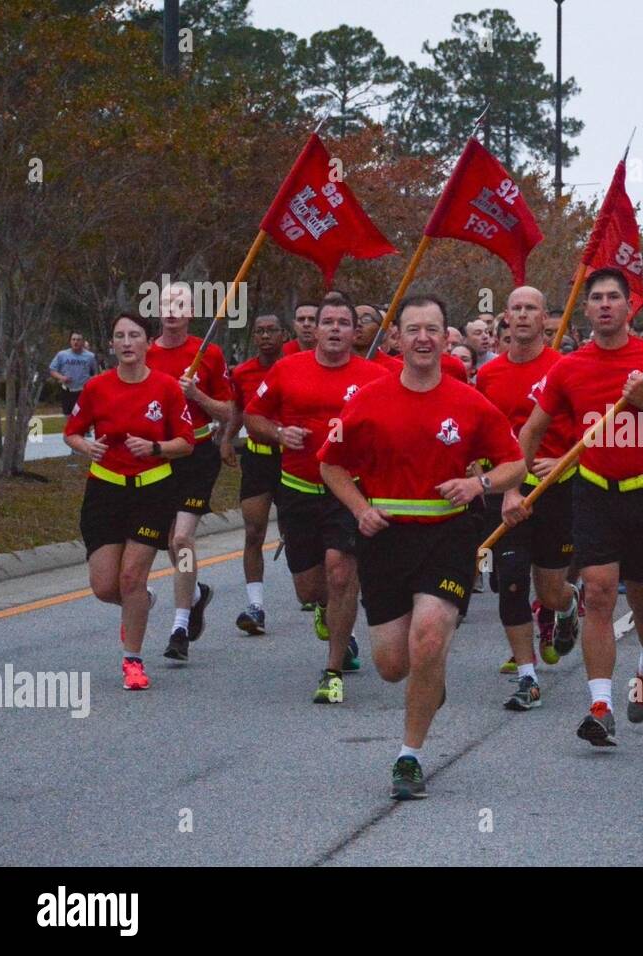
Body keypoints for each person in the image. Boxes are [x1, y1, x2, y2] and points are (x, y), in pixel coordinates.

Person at [320, 294, 526, 798]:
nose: (423, 338)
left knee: (429, 636)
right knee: (393, 666)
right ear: (396, 338)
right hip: (386, 538)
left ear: (445, 336)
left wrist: (479, 486)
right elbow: (330, 464)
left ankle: (408, 757)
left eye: (432, 329)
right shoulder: (368, 399)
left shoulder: (470, 401)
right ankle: (428, 681)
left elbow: (514, 464)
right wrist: (360, 509)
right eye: (413, 329)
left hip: (447, 536)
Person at [516, 268, 643, 747]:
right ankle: (600, 704)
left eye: (615, 297)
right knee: (599, 592)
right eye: (597, 298)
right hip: (593, 492)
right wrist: (514, 486)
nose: (606, 304)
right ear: (585, 309)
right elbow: (531, 430)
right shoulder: (568, 368)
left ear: (631, 307)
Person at [244, 291, 387, 702]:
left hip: (348, 493)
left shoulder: (374, 376)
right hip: (297, 491)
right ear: (315, 330)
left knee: (341, 572)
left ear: (355, 332)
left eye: (345, 323)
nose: (336, 330)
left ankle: (333, 668)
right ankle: (329, 612)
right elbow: (254, 417)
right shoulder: (289, 369)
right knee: (310, 589)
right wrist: (279, 433)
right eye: (329, 323)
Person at [63, 313, 194, 690]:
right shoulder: (96, 387)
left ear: (147, 343)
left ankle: (133, 662)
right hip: (105, 491)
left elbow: (186, 443)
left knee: (130, 576)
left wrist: (154, 447)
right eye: (119, 336)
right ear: (110, 346)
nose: (127, 342)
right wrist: (87, 446)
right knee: (107, 586)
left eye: (134, 335)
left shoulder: (167, 388)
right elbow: (72, 432)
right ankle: (141, 600)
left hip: (153, 490)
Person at [481, 287, 583, 709]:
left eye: (531, 309)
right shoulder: (487, 375)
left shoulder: (566, 368)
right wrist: (501, 485)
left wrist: (562, 461)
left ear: (546, 319)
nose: (523, 316)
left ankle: (568, 605)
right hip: (507, 492)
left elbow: (589, 430)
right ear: (506, 317)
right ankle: (527, 676)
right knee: (511, 581)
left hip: (556, 488)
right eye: (516, 309)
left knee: (550, 588)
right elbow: (485, 435)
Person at [146, 283, 236, 663]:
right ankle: (196, 594)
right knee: (171, 543)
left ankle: (179, 626)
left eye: (180, 304)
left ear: (191, 311)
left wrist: (196, 395)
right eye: (165, 303)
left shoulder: (208, 354)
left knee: (182, 540)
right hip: (159, 458)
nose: (172, 310)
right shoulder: (146, 353)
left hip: (198, 454)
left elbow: (230, 412)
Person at [229, 314, 286, 634]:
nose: (265, 336)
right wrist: (226, 439)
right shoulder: (243, 372)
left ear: (283, 335)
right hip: (257, 459)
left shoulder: (296, 365)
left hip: (293, 462)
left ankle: (321, 602)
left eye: (271, 331)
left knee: (303, 535)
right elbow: (239, 409)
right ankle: (256, 606)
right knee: (253, 533)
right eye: (260, 331)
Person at [50, 331, 101, 416]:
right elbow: (52, 370)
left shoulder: (90, 356)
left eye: (78, 340)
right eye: (73, 339)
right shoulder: (62, 355)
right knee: (69, 418)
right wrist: (61, 377)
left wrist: (92, 382)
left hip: (82, 392)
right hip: (67, 391)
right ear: (70, 341)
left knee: (83, 418)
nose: (75, 342)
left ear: (82, 342)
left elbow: (96, 373)